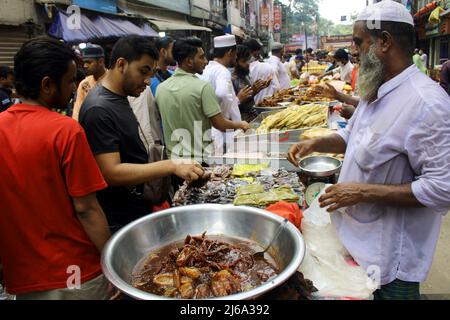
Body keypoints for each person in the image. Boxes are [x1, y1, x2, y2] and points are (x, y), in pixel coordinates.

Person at [288, 0, 450, 300]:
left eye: (359, 42)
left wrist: (362, 192)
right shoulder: (375, 92)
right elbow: (353, 137)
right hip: (357, 244)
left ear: (384, 42)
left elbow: (442, 188)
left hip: (391, 262)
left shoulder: (427, 104)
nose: (354, 51)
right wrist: (315, 143)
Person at [0, 37, 113, 300]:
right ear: (47, 85)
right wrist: (113, 262)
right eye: (70, 80)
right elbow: (87, 209)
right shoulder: (66, 131)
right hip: (77, 275)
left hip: (26, 278)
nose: (74, 88)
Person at [79, 36, 205, 232]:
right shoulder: (99, 108)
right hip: (120, 219)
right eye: (143, 71)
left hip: (137, 209)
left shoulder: (119, 97)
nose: (147, 81)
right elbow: (110, 172)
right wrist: (171, 165)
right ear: (121, 64)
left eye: (151, 73)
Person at [156, 37, 249, 165]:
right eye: (201, 57)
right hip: (200, 161)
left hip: (174, 163)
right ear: (189, 61)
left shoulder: (161, 89)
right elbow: (220, 124)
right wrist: (241, 124)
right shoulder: (203, 87)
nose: (205, 61)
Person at [199, 35, 250, 152]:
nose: (236, 57)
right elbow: (222, 93)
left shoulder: (205, 69)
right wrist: (220, 114)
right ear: (229, 52)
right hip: (222, 130)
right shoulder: (222, 71)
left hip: (209, 129)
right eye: (235, 54)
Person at [232, 45, 271, 121]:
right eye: (243, 61)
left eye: (248, 60)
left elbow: (248, 97)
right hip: (241, 120)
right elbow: (232, 105)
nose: (247, 64)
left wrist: (257, 89)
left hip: (252, 117)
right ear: (235, 61)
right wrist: (253, 91)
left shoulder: (245, 75)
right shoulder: (232, 79)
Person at [72, 44, 107, 121]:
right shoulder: (84, 84)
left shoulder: (112, 80)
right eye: (84, 62)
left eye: (89, 62)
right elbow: (77, 110)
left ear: (101, 61)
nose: (85, 66)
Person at [243, 39, 280, 104]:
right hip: (267, 104)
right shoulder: (267, 66)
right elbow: (277, 87)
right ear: (256, 52)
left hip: (251, 106)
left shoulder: (239, 70)